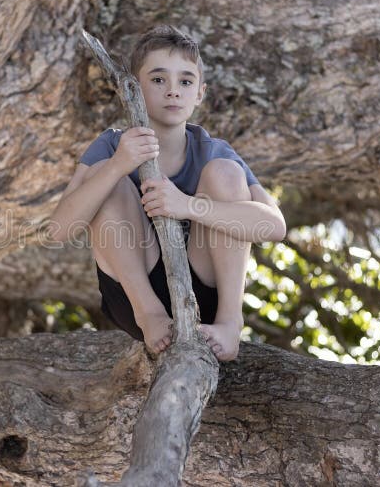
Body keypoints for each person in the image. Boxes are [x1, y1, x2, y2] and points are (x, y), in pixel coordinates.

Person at [47, 25, 286, 361]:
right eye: (158, 80)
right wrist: (119, 164)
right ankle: (151, 314)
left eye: (185, 81)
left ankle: (231, 323)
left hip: (205, 288)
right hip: (134, 294)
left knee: (225, 174)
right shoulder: (112, 145)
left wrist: (188, 206)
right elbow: (58, 231)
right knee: (105, 176)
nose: (173, 91)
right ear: (134, 88)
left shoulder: (212, 150)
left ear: (199, 93)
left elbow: (274, 227)